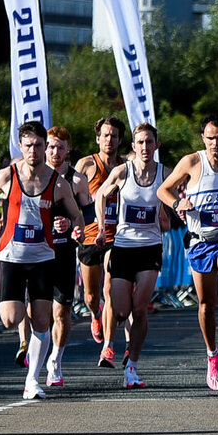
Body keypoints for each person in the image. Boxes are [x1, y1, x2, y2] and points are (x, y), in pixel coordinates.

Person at [0, 120, 82, 400]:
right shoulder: (7, 175)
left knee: (42, 320)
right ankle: (25, 312)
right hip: (12, 256)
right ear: (21, 146)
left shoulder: (57, 182)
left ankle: (32, 380)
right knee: (11, 318)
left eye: (39, 145)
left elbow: (78, 217)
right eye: (29, 145)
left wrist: (71, 226)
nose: (34, 150)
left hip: (43, 257)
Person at [159, 113, 218, 389]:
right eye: (210, 138)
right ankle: (211, 356)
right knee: (206, 305)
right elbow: (164, 190)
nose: (216, 143)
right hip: (200, 240)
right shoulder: (192, 162)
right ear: (203, 138)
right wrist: (178, 205)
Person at [93, 123, 168, 389]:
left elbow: (177, 199)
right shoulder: (122, 171)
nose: (145, 147)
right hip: (123, 247)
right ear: (133, 146)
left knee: (139, 307)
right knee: (122, 311)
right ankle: (114, 340)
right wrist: (102, 228)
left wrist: (172, 211)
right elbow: (101, 195)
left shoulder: (164, 174)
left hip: (150, 248)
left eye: (149, 142)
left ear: (156, 145)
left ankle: (132, 366)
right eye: (140, 143)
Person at [77, 118, 126, 362]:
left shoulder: (125, 166)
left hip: (115, 237)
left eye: (114, 136)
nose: (109, 140)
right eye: (105, 135)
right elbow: (70, 196)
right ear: (98, 138)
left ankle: (108, 346)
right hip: (89, 236)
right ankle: (95, 313)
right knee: (91, 295)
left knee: (110, 288)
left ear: (120, 140)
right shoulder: (86, 165)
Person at [42, 125, 87, 386]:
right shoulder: (32, 177)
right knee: (40, 312)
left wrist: (73, 226)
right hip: (36, 252)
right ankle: (35, 349)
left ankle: (56, 360)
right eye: (51, 146)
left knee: (62, 311)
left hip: (64, 253)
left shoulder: (77, 180)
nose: (54, 151)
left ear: (67, 149)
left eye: (60, 147)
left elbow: (86, 216)